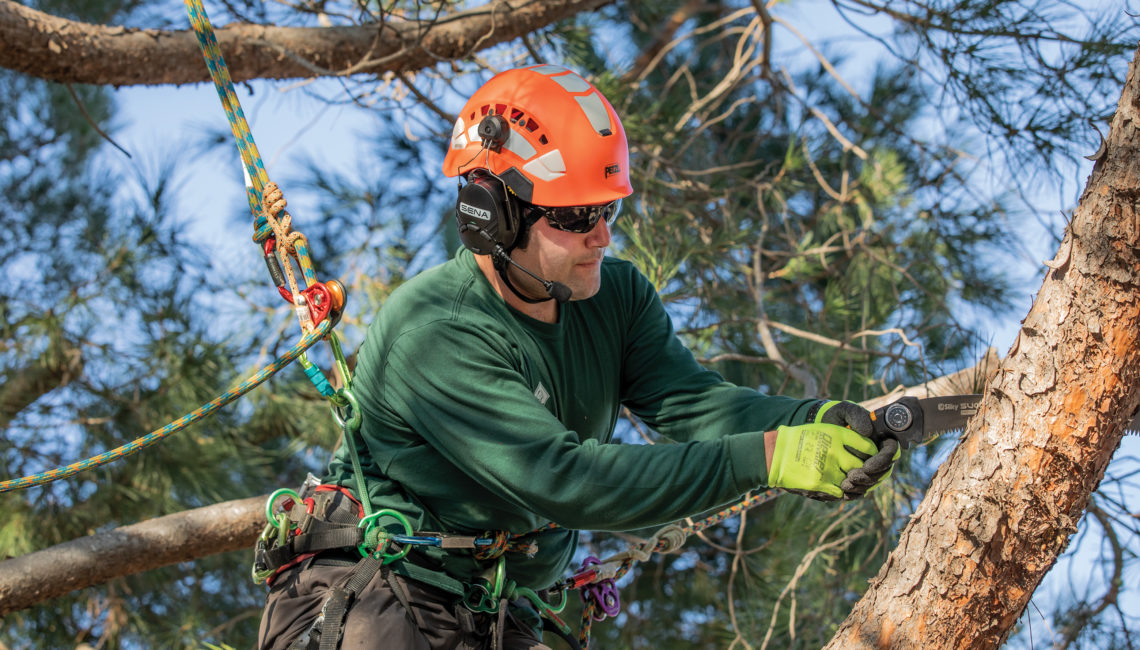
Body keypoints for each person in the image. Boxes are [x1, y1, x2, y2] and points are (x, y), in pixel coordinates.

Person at [255, 64, 899, 650]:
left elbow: (693, 404)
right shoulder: (434, 331)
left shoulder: (615, 298)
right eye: (578, 214)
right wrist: (764, 458)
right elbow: (569, 482)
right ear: (494, 216)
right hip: (375, 601)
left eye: (608, 207)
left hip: (503, 614)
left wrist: (805, 421)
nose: (603, 234)